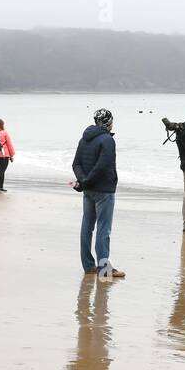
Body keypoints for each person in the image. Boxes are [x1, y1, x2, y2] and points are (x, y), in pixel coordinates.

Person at [72, 108, 124, 278]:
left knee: (87, 226)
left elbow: (76, 164)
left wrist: (83, 181)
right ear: (108, 122)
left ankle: (88, 265)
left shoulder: (84, 138)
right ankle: (103, 267)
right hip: (103, 190)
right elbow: (103, 166)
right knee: (103, 228)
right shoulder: (107, 140)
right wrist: (86, 181)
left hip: (88, 189)